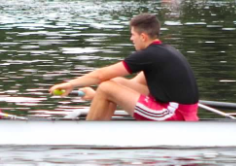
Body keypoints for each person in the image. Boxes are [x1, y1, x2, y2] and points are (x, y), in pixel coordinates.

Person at [49, 13, 199, 121]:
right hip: (182, 113)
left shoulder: (149, 55)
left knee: (106, 86)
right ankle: (101, 124)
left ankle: (88, 134)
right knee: (116, 82)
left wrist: (71, 84)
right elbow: (128, 89)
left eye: (132, 34)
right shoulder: (164, 51)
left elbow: (101, 75)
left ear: (143, 37)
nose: (131, 38)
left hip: (173, 115)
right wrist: (97, 96)